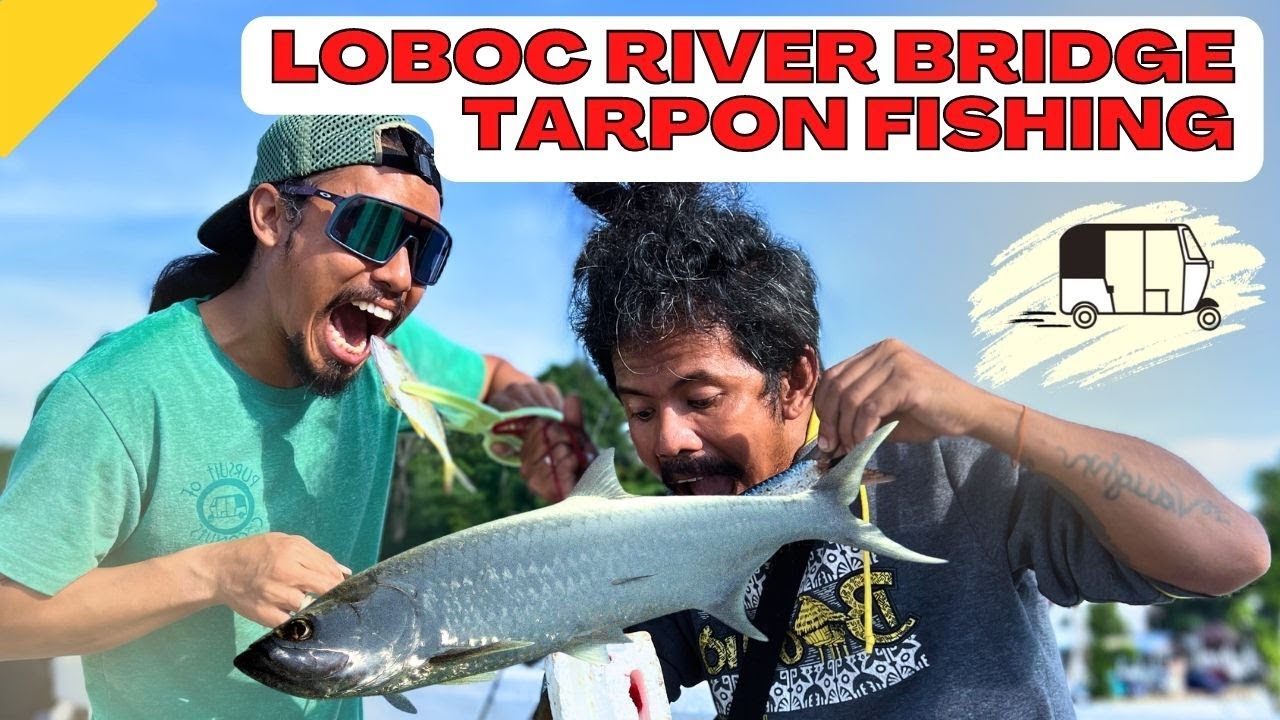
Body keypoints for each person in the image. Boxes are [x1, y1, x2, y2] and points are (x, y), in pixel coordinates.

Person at [528, 182, 1269, 718]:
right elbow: (581, 699)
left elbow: (1230, 552)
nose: (670, 441)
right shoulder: (672, 544)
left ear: (796, 381)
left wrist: (995, 418)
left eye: (700, 400)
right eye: (639, 411)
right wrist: (572, 543)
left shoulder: (950, 472)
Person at [0, 115, 562, 720]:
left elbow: (498, 377)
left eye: (424, 250)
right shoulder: (118, 391)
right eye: (370, 225)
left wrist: (540, 419)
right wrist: (215, 574)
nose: (399, 274)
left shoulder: (383, 356)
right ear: (270, 216)